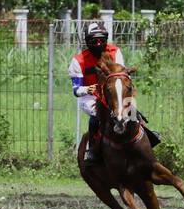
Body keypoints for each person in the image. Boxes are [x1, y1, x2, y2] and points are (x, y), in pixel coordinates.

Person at [69, 21, 160, 162]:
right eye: (94, 41)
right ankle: (93, 149)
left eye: (102, 40)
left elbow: (122, 75)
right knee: (95, 118)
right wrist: (87, 89)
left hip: (111, 92)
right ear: (87, 42)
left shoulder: (115, 52)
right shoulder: (78, 61)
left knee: (130, 108)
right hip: (90, 97)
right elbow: (76, 90)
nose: (99, 44)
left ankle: (148, 135)